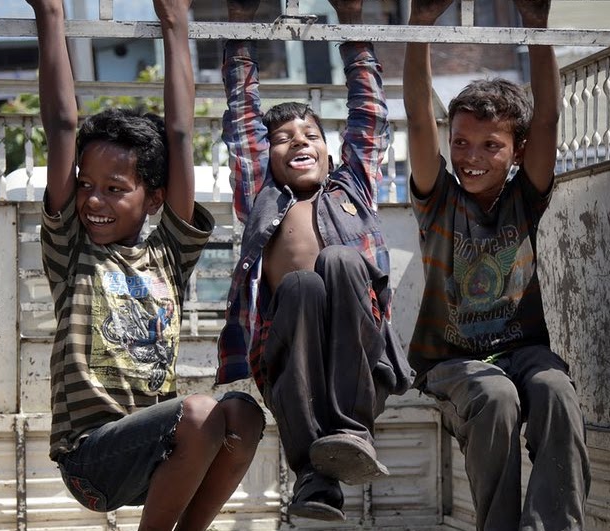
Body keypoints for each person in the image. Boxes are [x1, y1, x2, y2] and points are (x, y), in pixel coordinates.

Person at [28, 0, 264, 528]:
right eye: (87, 187)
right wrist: (51, 13)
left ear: (153, 199)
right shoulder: (72, 250)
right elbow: (62, 124)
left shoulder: (168, 256)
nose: (93, 201)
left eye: (115, 190)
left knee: (243, 415)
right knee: (201, 410)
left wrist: (176, 25)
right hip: (91, 459)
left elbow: (180, 136)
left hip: (158, 454)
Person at [214, 0, 412, 522]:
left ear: (329, 151)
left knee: (344, 260)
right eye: (282, 138)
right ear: (267, 155)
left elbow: (369, 111)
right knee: (301, 285)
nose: (298, 141)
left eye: (310, 135)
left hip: (362, 353)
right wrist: (239, 30)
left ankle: (351, 430)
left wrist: (350, 25)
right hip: (290, 345)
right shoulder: (260, 193)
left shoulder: (353, 188)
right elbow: (241, 114)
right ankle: (314, 477)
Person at [403, 0, 590, 529]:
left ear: (518, 150)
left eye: (491, 145)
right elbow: (420, 116)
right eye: (461, 142)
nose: (471, 156)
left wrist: (536, 25)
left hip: (522, 351)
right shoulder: (437, 198)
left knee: (554, 389)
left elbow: (548, 115)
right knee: (497, 394)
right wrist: (419, 26)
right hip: (450, 362)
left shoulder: (524, 198)